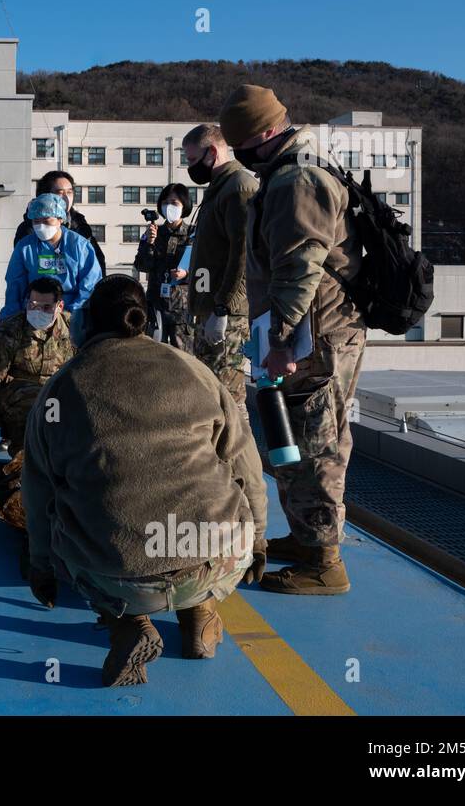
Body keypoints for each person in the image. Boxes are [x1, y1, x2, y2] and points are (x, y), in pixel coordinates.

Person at [21, 275, 268, 686]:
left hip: (114, 574)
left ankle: (129, 623)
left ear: (86, 322)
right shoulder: (196, 371)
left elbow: (37, 489)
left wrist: (40, 565)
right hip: (216, 560)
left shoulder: (60, 389)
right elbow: (246, 465)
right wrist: (257, 540)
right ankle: (200, 621)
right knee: (206, 507)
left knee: (68, 512)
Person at [219, 83, 365, 595]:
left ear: (263, 134)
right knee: (296, 439)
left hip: (314, 336)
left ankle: (325, 562)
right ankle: (307, 538)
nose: (238, 155)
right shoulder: (290, 169)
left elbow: (301, 266)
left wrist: (280, 341)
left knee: (315, 440)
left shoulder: (297, 179)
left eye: (240, 144)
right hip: (306, 331)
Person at [184, 124, 256, 419]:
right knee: (212, 396)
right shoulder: (220, 187)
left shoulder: (238, 186)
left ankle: (240, 464)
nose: (191, 167)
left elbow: (243, 255)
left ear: (212, 152)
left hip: (225, 312)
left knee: (228, 400)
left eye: (192, 160)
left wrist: (223, 307)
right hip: (209, 307)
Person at [0, 277, 75, 460]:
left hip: (59, 393)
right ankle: (25, 462)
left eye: (46, 308)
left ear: (59, 306)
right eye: (33, 305)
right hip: (20, 396)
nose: (38, 311)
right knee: (36, 408)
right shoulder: (9, 329)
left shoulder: (75, 328)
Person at [0, 194, 101, 321]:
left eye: (47, 221)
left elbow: (90, 286)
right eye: (36, 221)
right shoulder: (25, 247)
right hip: (33, 312)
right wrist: (12, 317)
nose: (41, 226)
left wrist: (71, 316)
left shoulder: (79, 246)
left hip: (72, 315)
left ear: (60, 219)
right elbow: (15, 286)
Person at [133, 182, 194, 350]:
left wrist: (186, 274)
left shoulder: (193, 234)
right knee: (154, 355)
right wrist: (149, 243)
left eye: (174, 203)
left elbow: (206, 271)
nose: (169, 207)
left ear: (185, 206)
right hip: (155, 305)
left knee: (183, 360)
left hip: (181, 310)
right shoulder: (153, 232)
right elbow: (141, 266)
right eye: (166, 203)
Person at [13, 170, 106, 273]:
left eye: (69, 192)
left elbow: (96, 264)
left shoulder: (80, 225)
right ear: (45, 196)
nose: (66, 198)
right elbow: (19, 271)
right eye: (60, 193)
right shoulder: (29, 229)